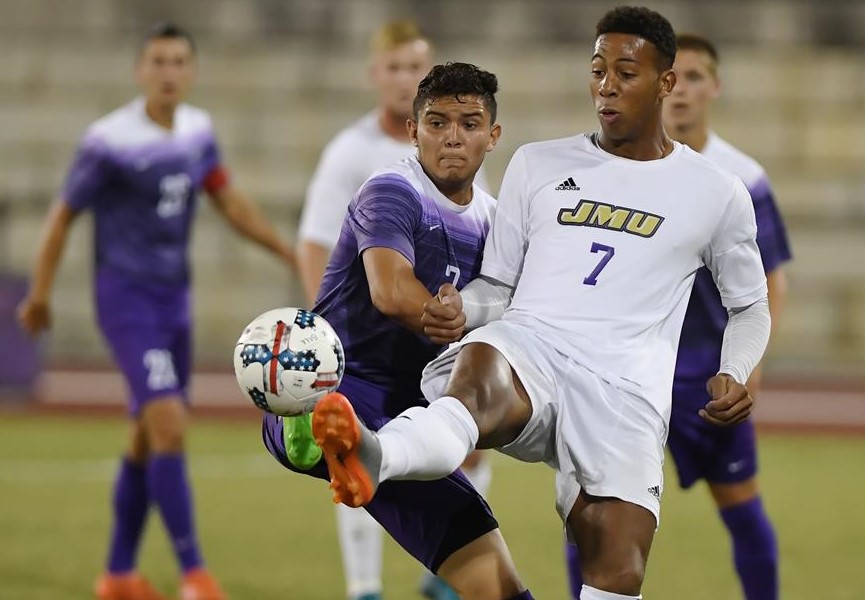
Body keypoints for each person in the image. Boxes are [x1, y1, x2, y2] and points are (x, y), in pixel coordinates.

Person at [313, 6, 772, 599]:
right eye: (598, 69)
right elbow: (499, 289)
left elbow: (749, 306)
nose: (607, 85)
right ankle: (378, 455)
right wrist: (462, 310)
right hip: (533, 348)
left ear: (666, 83)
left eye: (626, 72)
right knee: (479, 377)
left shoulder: (717, 192)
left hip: (626, 389)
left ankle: (390, 453)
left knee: (617, 566)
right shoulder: (539, 164)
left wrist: (735, 371)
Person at [17, 22, 295, 600]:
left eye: (178, 62)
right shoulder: (108, 140)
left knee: (146, 432)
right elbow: (63, 215)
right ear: (140, 71)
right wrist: (41, 294)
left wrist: (284, 250)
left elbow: (226, 198)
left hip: (176, 301)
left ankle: (118, 573)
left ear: (191, 72)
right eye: (158, 62)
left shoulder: (198, 131)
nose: (168, 73)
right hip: (126, 299)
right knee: (168, 422)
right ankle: (195, 573)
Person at [261, 62, 534, 600]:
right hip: (345, 385)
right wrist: (449, 314)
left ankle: (328, 441)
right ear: (413, 131)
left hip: (413, 420)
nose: (452, 136)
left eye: (469, 123)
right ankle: (308, 425)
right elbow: (390, 289)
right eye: (437, 122)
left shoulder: (497, 223)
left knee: (495, 581)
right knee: (335, 420)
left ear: (493, 136)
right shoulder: (390, 189)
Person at [563, 32, 792, 600]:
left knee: (742, 507)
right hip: (618, 369)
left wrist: (748, 362)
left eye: (697, 78)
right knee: (591, 514)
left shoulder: (742, 179)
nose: (684, 90)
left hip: (703, 373)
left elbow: (768, 281)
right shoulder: (611, 165)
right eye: (677, 77)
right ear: (660, 83)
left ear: (713, 86)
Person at [293, 20, 487, 600]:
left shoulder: (462, 167)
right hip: (366, 343)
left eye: (416, 68)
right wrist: (317, 335)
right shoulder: (357, 156)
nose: (406, 78)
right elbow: (315, 241)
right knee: (354, 444)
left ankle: (440, 578)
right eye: (396, 68)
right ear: (377, 75)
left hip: (427, 353)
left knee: (447, 445)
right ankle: (365, 586)